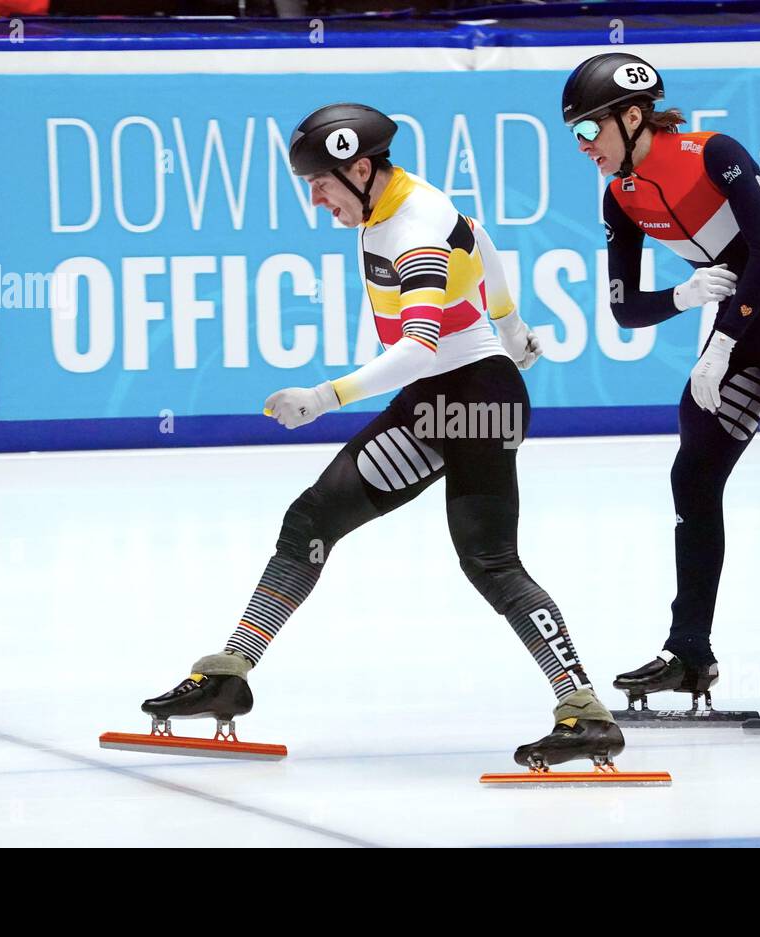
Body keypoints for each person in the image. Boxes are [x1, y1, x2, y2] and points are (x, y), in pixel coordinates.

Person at [138, 103, 623, 769]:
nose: (315, 199)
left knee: (491, 561)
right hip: (448, 396)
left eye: (321, 183)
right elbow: (479, 239)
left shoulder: (410, 229)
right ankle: (232, 668)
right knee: (312, 518)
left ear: (361, 168)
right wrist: (509, 325)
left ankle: (584, 709)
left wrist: (324, 396)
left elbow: (420, 345)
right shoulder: (398, 201)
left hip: (471, 398)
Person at [563, 53, 760, 710]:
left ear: (633, 115)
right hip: (740, 326)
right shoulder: (621, 197)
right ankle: (689, 653)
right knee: (694, 473)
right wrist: (684, 295)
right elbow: (625, 307)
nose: (584, 146)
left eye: (590, 130)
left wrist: (722, 342)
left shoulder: (714, 154)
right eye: (575, 136)